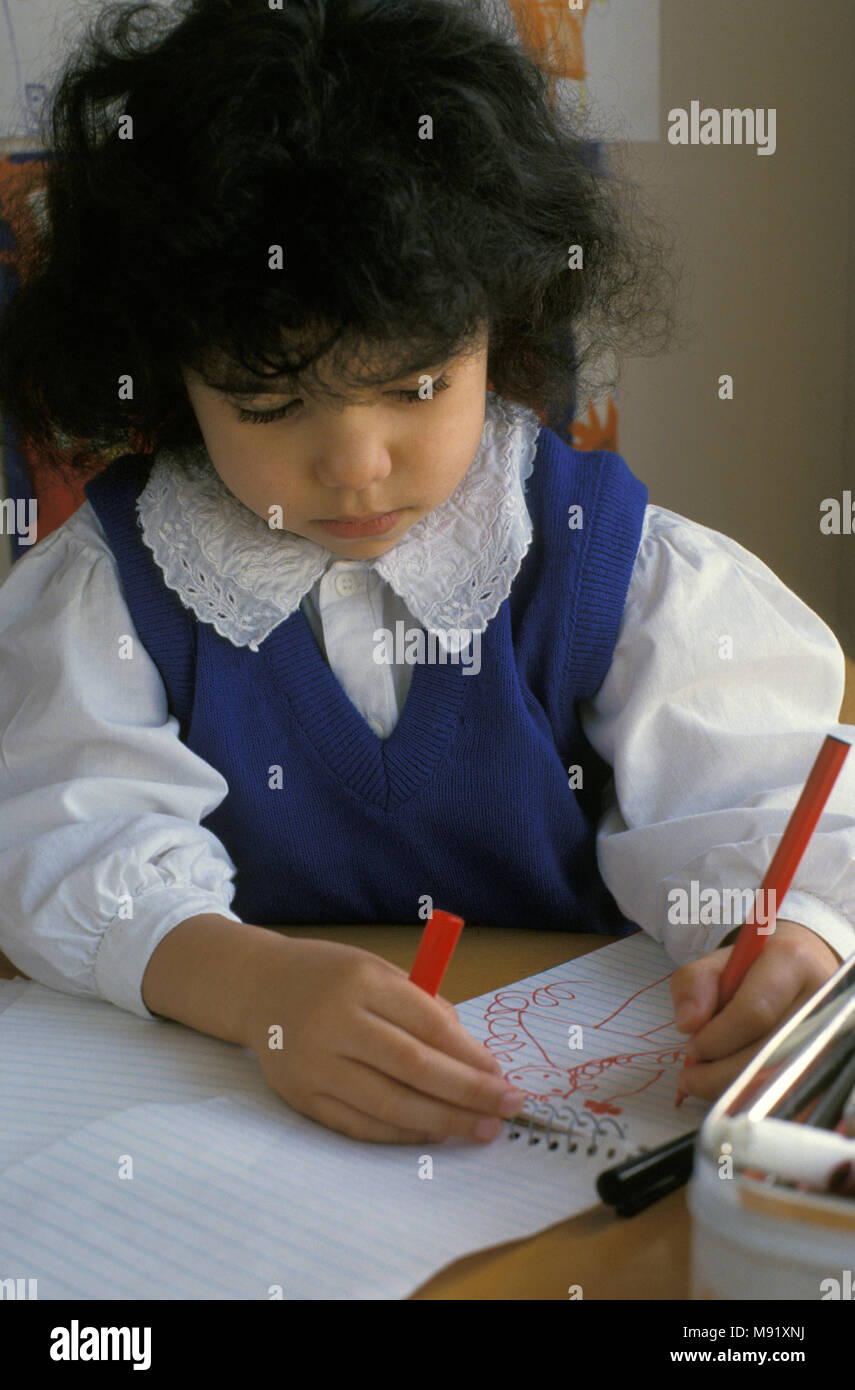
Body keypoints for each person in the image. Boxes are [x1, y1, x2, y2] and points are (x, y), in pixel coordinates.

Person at [0, 0, 852, 1146]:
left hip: (570, 1127)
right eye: (267, 402)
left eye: (414, 388)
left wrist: (791, 944)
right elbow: (64, 843)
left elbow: (755, 805)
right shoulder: (115, 588)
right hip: (226, 1122)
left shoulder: (610, 567)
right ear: (165, 369)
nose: (357, 465)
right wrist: (262, 994)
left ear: (500, 327)